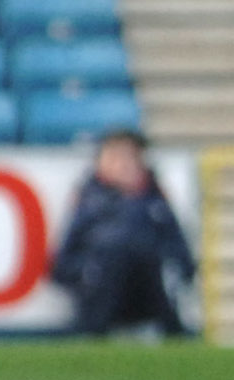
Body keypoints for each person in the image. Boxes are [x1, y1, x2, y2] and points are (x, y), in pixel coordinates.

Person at [49, 130, 195, 337]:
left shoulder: (156, 204)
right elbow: (63, 263)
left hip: (149, 293)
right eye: (117, 156)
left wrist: (174, 273)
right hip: (101, 293)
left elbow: (180, 251)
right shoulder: (90, 203)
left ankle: (171, 331)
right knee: (115, 251)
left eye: (131, 156)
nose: (125, 164)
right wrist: (89, 273)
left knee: (144, 252)